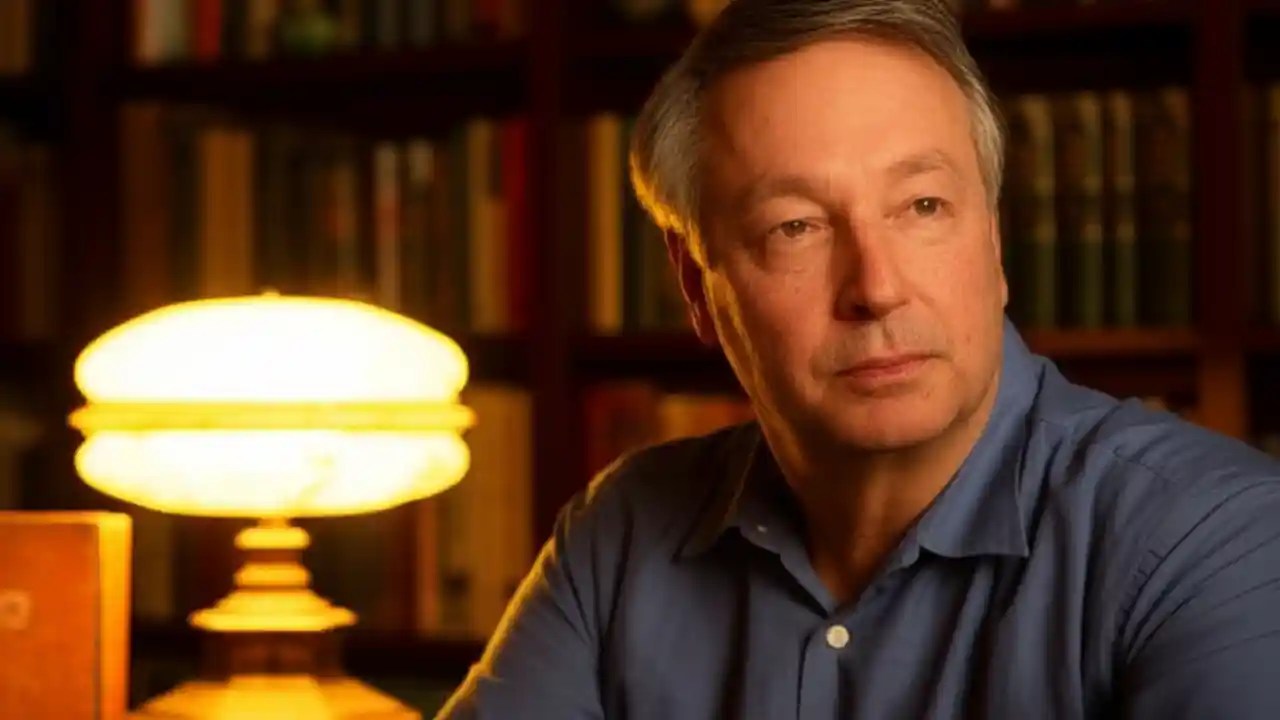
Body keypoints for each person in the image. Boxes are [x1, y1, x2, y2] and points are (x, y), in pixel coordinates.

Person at [437, 0, 1280, 717]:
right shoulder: (620, 536)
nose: (876, 288)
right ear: (697, 286)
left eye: (923, 206)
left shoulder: (1210, 538)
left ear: (992, 242)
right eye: (795, 227)